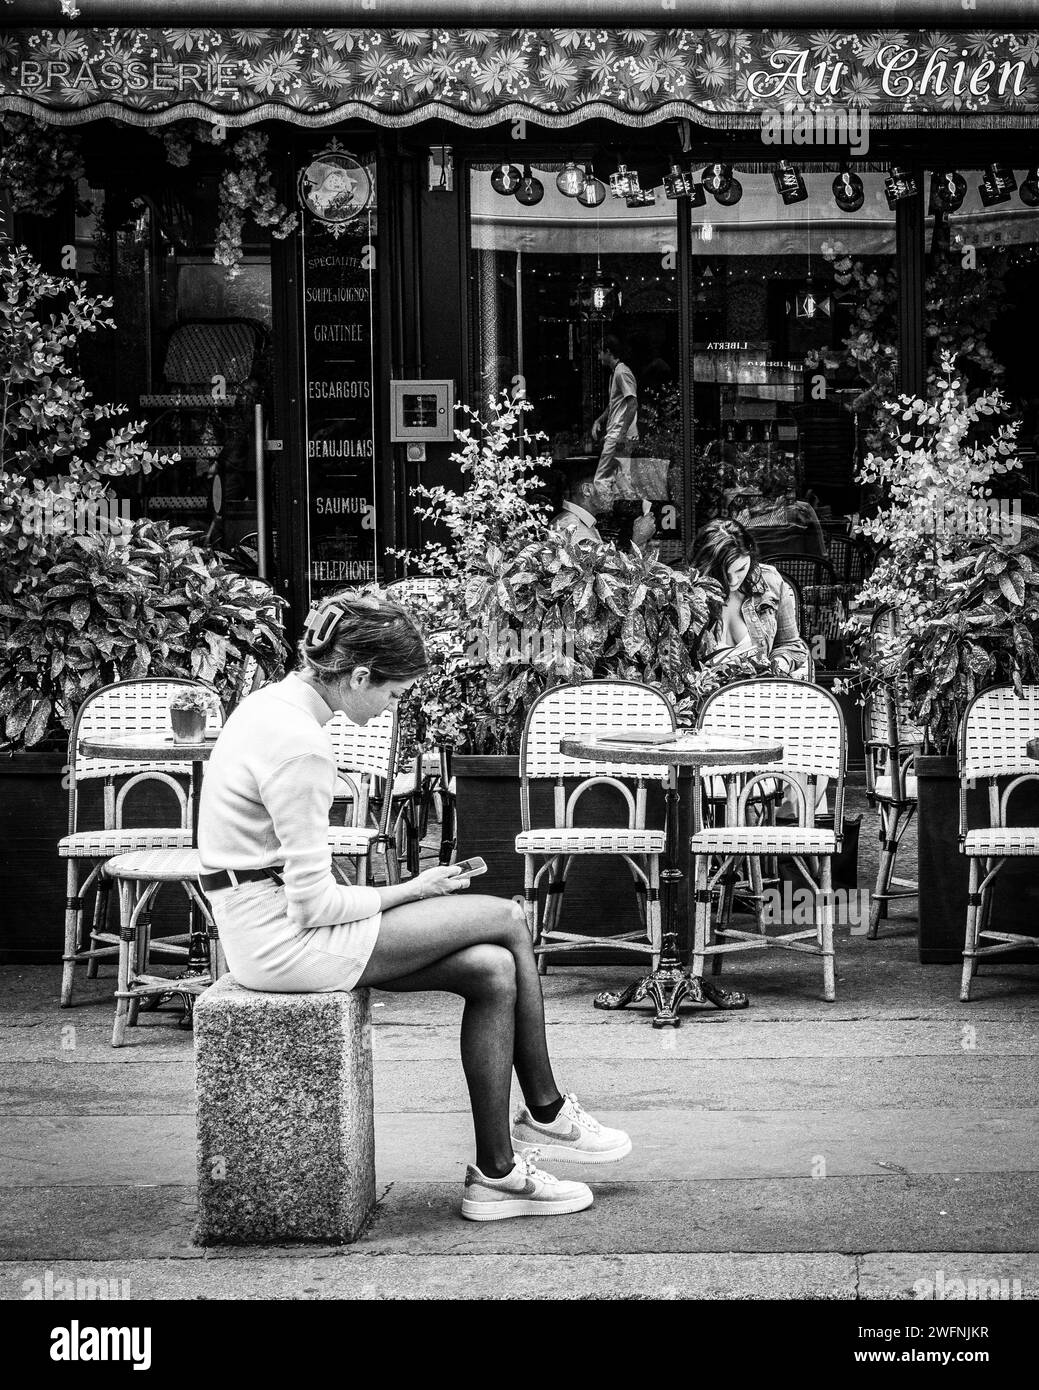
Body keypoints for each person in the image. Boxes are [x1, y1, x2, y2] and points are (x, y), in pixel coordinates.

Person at [197, 591, 631, 1222]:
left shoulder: (269, 706)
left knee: (492, 969)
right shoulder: (303, 748)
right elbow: (314, 905)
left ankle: (496, 1175)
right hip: (282, 941)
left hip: (259, 920)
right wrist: (415, 889)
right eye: (394, 693)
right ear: (360, 675)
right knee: (507, 918)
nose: (393, 707)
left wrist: (413, 891)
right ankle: (545, 1108)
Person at [689, 518, 809, 676]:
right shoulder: (689, 593)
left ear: (751, 555)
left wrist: (776, 666)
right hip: (707, 695)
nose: (733, 581)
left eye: (741, 569)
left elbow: (790, 645)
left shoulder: (770, 581)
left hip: (758, 693)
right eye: (724, 572)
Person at [551, 457, 656, 549]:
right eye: (610, 485)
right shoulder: (573, 527)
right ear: (587, 490)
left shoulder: (577, 522)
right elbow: (595, 572)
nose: (616, 492)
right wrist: (639, 539)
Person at [591, 334, 639, 488]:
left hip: (619, 434)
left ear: (608, 352)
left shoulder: (621, 372)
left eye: (600, 352)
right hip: (620, 433)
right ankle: (636, 510)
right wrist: (599, 420)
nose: (599, 357)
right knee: (623, 481)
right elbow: (614, 404)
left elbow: (632, 404)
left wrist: (621, 434)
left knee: (601, 480)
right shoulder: (615, 373)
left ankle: (603, 511)